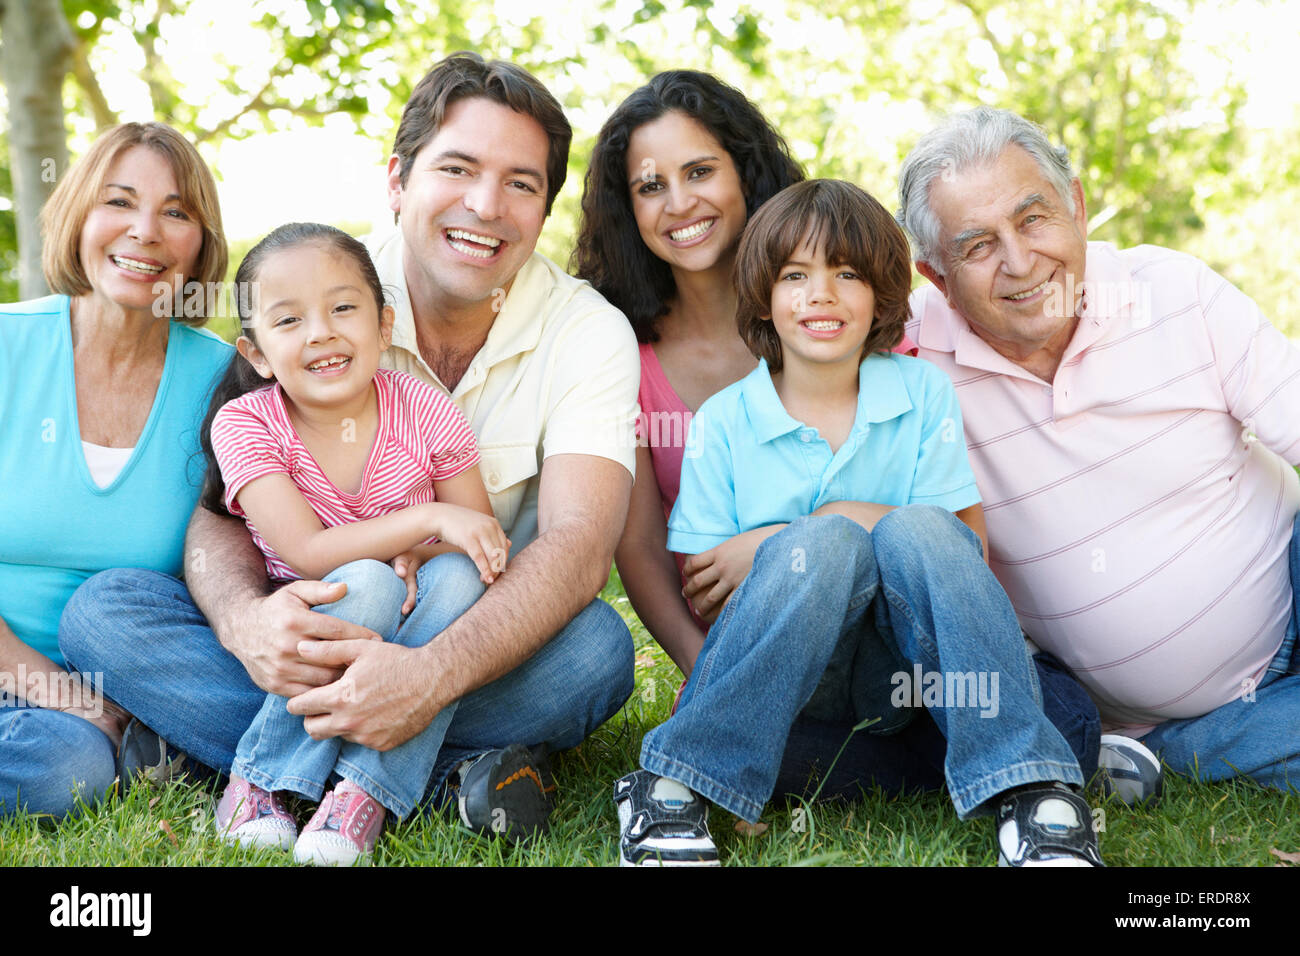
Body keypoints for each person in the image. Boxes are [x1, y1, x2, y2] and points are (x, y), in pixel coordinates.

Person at [60, 53, 640, 842]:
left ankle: (249, 760)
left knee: (596, 653)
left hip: (458, 631)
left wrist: (426, 676)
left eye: (520, 183)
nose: (484, 204)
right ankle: (433, 779)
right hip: (305, 616)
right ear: (398, 178)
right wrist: (246, 624)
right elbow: (221, 512)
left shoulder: (588, 333)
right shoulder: (308, 283)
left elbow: (577, 547)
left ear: (545, 208)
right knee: (106, 612)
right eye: (458, 168)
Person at [573, 71, 1100, 805]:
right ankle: (962, 764)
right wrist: (712, 692)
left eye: (699, 171)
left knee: (1061, 715)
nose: (680, 202)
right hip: (777, 656)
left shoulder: (890, 367)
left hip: (902, 655)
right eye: (650, 185)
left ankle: (982, 759)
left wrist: (829, 523)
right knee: (1043, 725)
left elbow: (949, 543)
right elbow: (661, 558)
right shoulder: (632, 358)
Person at [897, 106, 1300, 791]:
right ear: (937, 277)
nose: (1021, 261)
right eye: (978, 245)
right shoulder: (907, 361)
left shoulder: (1174, 291)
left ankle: (1186, 752)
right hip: (1116, 701)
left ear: (1077, 205)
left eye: (1033, 219)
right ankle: (1203, 743)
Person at [204, 223, 511, 865]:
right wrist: (424, 520)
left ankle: (360, 791)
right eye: (289, 320)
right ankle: (261, 778)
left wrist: (426, 551)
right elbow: (312, 553)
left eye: (343, 308)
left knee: (458, 578)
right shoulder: (246, 423)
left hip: (417, 630)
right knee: (362, 580)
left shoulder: (425, 411)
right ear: (257, 354)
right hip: (314, 622)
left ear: (384, 325)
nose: (321, 331)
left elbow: (479, 544)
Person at [0, 122, 229, 817]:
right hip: (26, 679)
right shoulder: (7, 345)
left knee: (72, 762)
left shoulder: (225, 377)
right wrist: (57, 691)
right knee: (65, 767)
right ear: (79, 219)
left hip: (139, 678)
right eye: (119, 202)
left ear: (200, 245)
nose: (146, 232)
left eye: (176, 212)